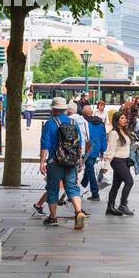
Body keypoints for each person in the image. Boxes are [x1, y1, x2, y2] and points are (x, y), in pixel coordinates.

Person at [38, 97, 87, 229]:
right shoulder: (73, 122)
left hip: (55, 162)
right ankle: (78, 213)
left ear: (53, 109)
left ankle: (53, 218)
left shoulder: (50, 123)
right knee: (72, 187)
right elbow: (79, 143)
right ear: (64, 109)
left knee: (52, 189)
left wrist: (42, 161)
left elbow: (45, 145)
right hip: (71, 162)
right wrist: (80, 160)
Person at [106, 109, 136, 216]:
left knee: (116, 185)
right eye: (122, 118)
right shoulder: (114, 133)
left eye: (125, 118)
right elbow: (110, 150)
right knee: (129, 182)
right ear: (117, 120)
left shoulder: (124, 131)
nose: (125, 120)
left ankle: (110, 207)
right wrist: (106, 164)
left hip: (125, 160)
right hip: (117, 161)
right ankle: (123, 205)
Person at [81, 102, 107, 202]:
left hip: (87, 149)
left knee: (90, 170)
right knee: (88, 169)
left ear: (84, 114)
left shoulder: (84, 122)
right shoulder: (100, 122)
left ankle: (95, 193)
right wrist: (102, 150)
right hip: (96, 149)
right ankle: (81, 188)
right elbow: (103, 136)